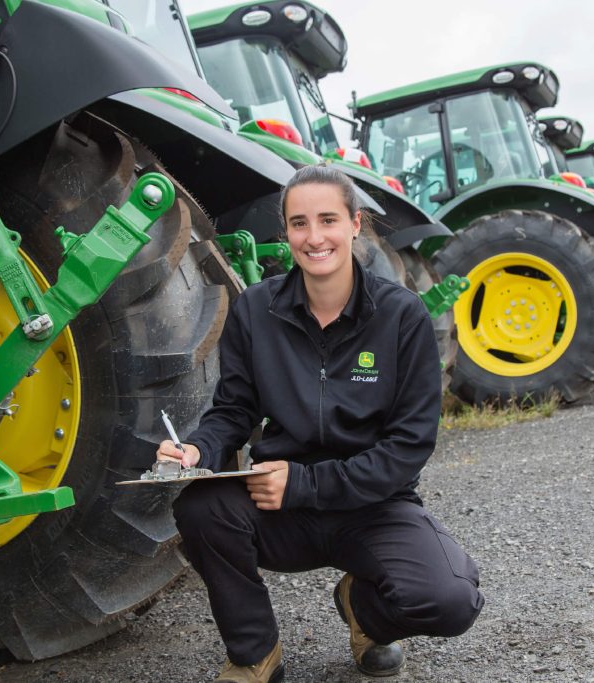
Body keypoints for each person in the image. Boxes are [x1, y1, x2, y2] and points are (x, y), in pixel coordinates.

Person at [157, 164, 483, 683]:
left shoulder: (402, 316)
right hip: (281, 508)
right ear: (284, 232)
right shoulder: (256, 311)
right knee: (201, 508)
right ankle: (254, 654)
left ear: (355, 224)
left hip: (373, 506)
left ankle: (363, 608)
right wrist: (197, 450)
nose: (314, 238)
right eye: (299, 223)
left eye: (328, 220)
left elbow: (409, 445)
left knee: (450, 600)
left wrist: (308, 482)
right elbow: (234, 409)